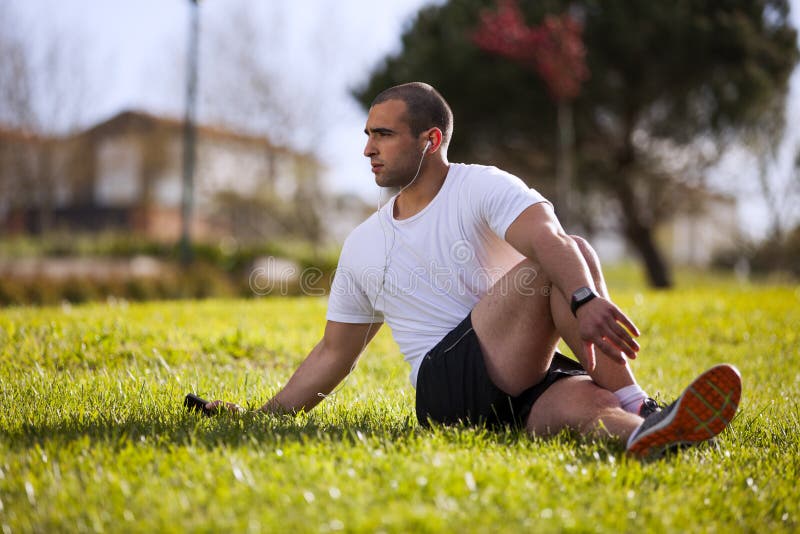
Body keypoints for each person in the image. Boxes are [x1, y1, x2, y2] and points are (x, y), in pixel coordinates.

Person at [203, 82, 741, 459]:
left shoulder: (481, 186)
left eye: (384, 135)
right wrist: (262, 415)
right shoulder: (364, 244)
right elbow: (333, 354)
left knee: (588, 404)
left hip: (518, 375)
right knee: (555, 264)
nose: (368, 149)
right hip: (446, 388)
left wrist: (581, 296)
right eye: (368, 135)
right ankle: (640, 402)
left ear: (430, 139)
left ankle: (650, 435)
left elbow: (547, 238)